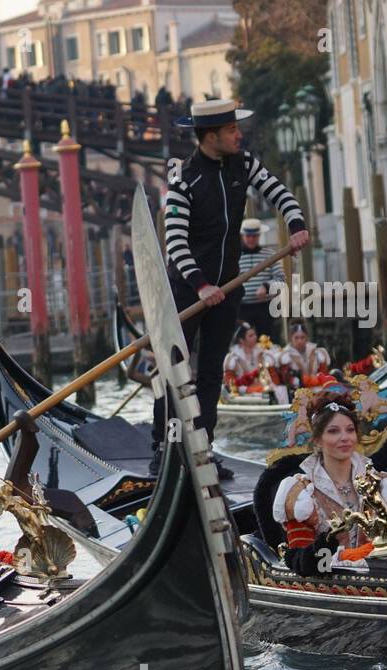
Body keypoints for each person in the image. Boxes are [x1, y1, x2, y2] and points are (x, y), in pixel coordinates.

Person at [153, 97, 310, 479]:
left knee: (210, 373)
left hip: (228, 288)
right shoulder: (183, 181)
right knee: (173, 373)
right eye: (231, 130)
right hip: (187, 291)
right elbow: (174, 243)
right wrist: (202, 284)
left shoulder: (244, 164)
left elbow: (279, 193)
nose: (239, 135)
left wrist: (296, 223)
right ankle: (163, 449)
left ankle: (203, 449)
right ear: (210, 136)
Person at [274, 393, 387, 576]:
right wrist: (341, 552)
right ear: (318, 440)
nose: (344, 437)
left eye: (350, 430)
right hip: (330, 582)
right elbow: (303, 565)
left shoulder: (381, 483)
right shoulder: (300, 493)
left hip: (383, 575)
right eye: (333, 431)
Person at [236, 218, 286, 340]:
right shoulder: (235, 257)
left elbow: (281, 280)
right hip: (241, 309)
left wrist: (267, 286)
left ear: (258, 236)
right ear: (243, 236)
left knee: (267, 342)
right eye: (248, 236)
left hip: (265, 309)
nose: (251, 239)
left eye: (254, 236)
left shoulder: (270, 255)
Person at [277, 321, 333, 392]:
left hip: (318, 388)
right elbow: (286, 378)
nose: (300, 341)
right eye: (296, 338)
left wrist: (317, 380)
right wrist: (302, 381)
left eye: (302, 337)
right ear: (291, 338)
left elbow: (324, 373)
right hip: (296, 391)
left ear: (307, 337)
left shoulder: (317, 352)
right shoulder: (285, 355)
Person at [222, 322, 274, 393]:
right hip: (241, 392)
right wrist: (246, 389)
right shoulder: (233, 357)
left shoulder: (262, 353)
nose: (255, 337)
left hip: (262, 390)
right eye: (251, 335)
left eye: (255, 334)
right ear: (241, 340)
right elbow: (229, 382)